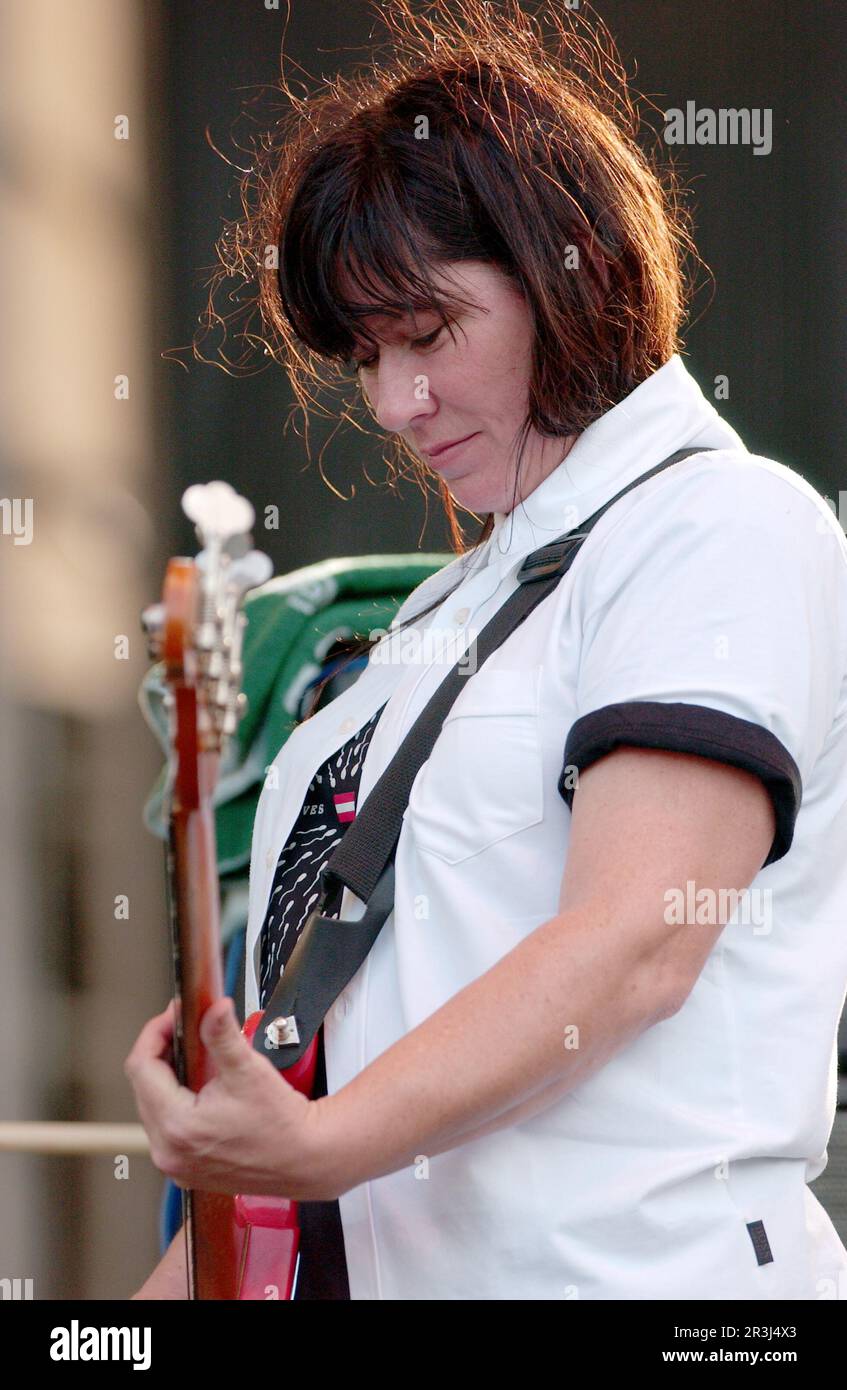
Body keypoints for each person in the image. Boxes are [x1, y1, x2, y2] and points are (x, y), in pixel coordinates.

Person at [127, 0, 847, 1300]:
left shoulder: (721, 525)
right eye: (365, 354)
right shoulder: (434, 620)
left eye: (427, 332)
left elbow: (637, 939)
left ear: (566, 267)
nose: (393, 406)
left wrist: (319, 1142)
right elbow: (309, 1110)